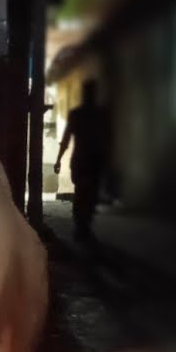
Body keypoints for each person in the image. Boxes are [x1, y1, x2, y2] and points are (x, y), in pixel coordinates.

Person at [55, 78, 113, 243]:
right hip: (90, 160)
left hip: (85, 160)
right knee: (86, 195)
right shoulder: (96, 115)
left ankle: (82, 227)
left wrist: (59, 159)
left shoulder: (79, 114)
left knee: (85, 195)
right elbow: (107, 139)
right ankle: (82, 227)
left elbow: (66, 139)